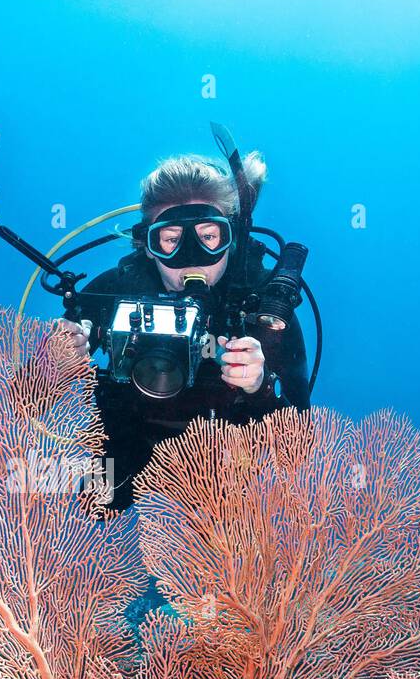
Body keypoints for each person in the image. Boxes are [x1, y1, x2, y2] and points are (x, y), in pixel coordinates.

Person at [53, 151, 311, 511]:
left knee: (236, 548)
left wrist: (259, 387)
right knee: (87, 512)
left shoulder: (263, 311)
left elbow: (298, 450)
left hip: (225, 472)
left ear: (231, 237)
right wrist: (56, 363)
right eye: (171, 240)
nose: (191, 257)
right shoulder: (116, 292)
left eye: (209, 237)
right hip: (126, 448)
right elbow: (23, 402)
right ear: (146, 243)